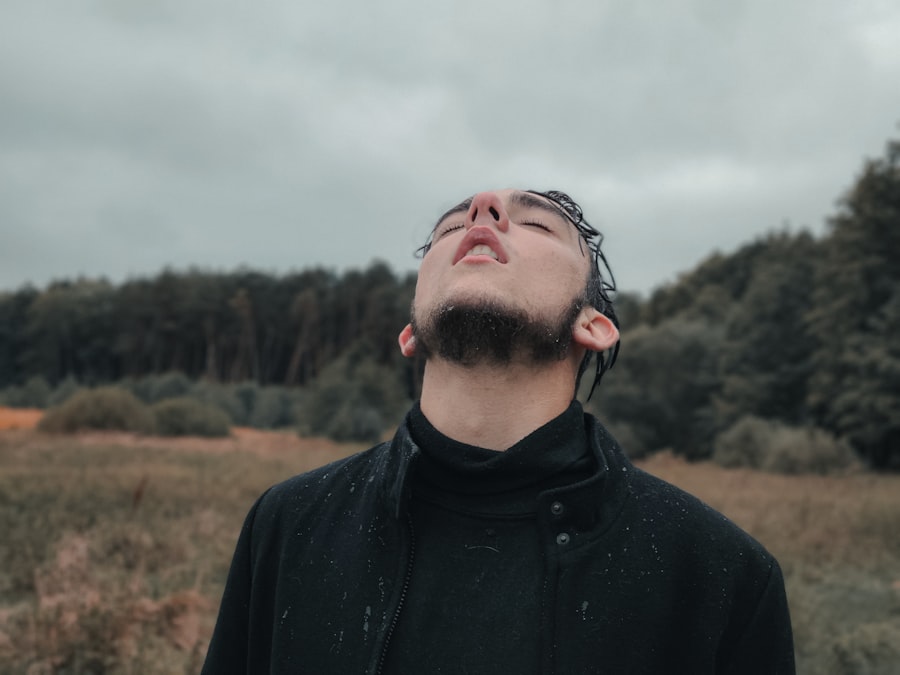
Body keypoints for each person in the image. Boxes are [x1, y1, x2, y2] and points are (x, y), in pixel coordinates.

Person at [201, 189, 795, 674]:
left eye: (536, 225)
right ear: (410, 332)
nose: (482, 211)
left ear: (594, 325)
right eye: (449, 229)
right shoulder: (289, 522)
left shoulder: (720, 572)